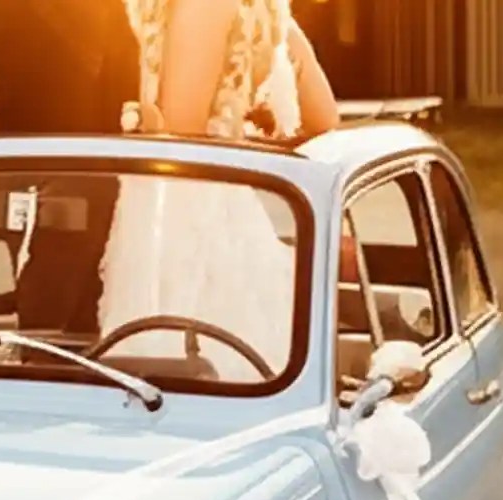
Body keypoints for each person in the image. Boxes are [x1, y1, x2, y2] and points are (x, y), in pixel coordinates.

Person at [96, 0, 339, 379]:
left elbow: (182, 130)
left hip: (182, 206)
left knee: (175, 356)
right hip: (231, 197)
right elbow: (323, 116)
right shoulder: (268, 10)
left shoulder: (203, 5)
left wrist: (136, 116)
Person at [0, 0, 141, 334]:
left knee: (81, 296)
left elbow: (123, 68)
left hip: (89, 167)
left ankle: (60, 365)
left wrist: (128, 113)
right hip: (16, 165)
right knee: (43, 297)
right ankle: (45, 367)